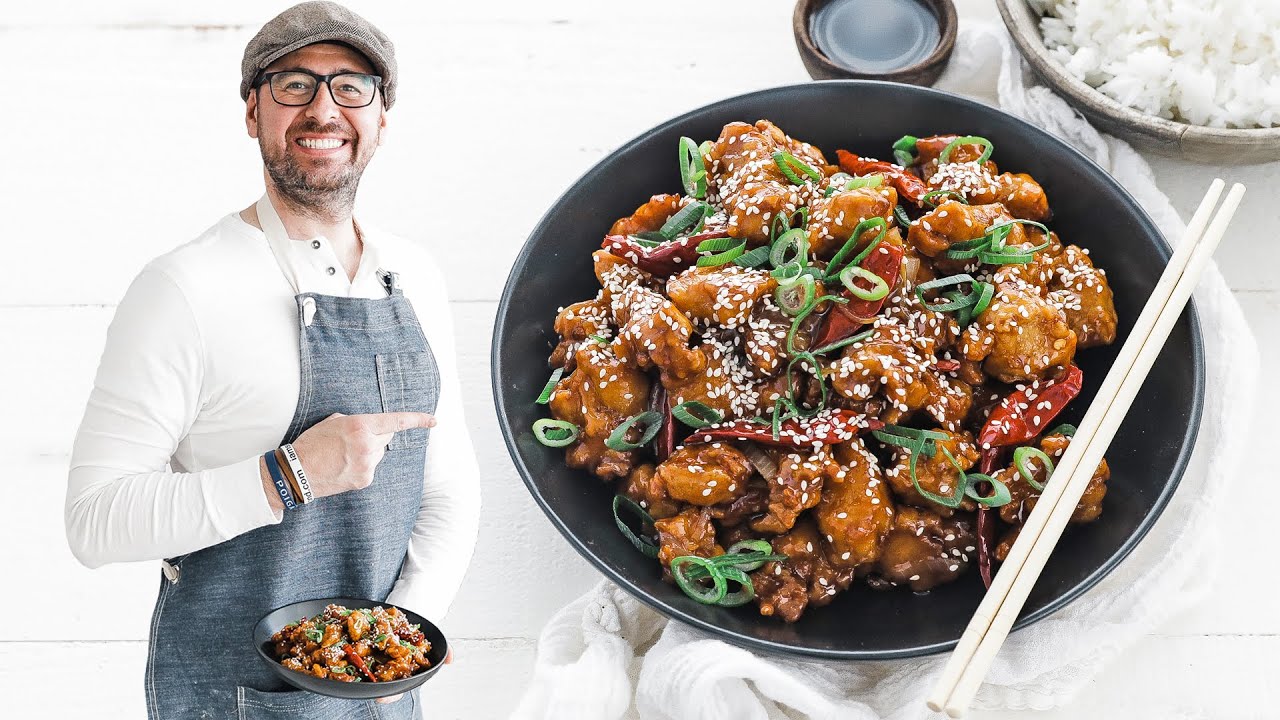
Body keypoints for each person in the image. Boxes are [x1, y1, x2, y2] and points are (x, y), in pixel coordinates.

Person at [63, 2, 481, 717]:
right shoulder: (184, 288)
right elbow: (93, 521)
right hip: (224, 697)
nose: (324, 109)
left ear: (382, 117)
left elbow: (449, 491)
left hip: (380, 700)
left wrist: (384, 649)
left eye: (352, 86)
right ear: (253, 111)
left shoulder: (414, 276)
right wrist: (286, 476)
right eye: (294, 84)